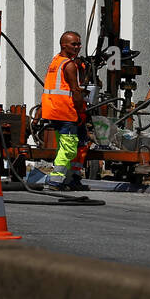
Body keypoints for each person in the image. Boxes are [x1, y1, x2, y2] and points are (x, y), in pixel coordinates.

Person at [41, 31, 89, 190]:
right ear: (64, 45)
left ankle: (72, 178)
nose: (78, 47)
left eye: (79, 44)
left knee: (79, 144)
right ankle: (56, 181)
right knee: (68, 149)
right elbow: (75, 91)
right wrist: (81, 109)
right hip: (67, 112)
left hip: (55, 111)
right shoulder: (68, 65)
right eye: (74, 44)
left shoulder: (56, 61)